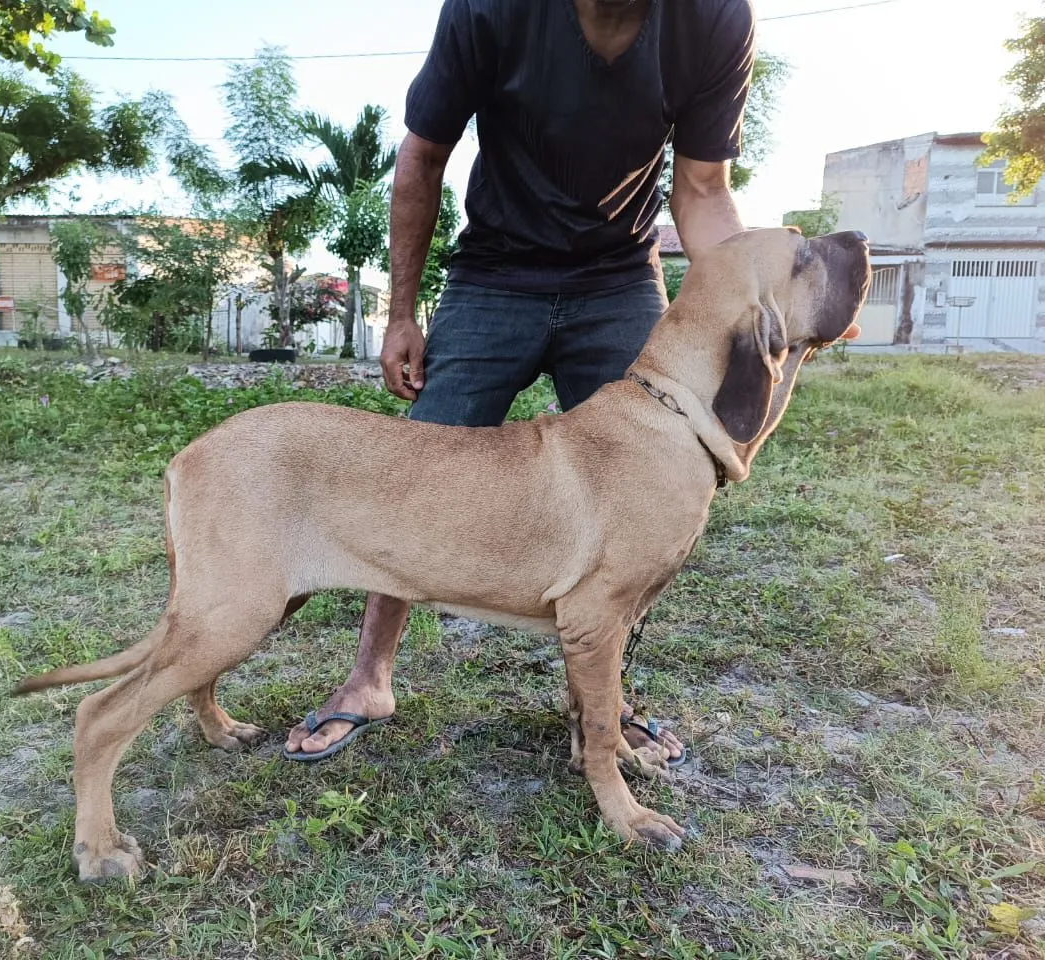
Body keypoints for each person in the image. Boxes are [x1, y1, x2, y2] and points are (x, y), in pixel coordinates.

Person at [284, 0, 756, 764]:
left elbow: (702, 190)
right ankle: (370, 676)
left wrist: (752, 299)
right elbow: (423, 157)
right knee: (414, 475)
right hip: (495, 273)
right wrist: (401, 313)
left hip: (618, 276)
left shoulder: (713, 18)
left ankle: (602, 705)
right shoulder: (489, 7)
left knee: (651, 479)